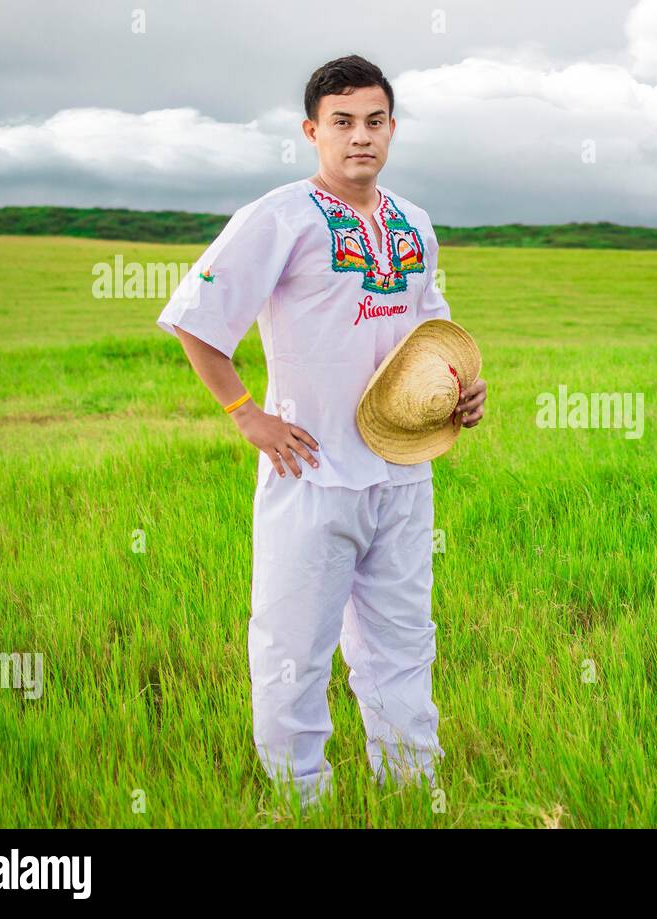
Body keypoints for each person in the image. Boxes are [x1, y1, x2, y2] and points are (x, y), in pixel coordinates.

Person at [155, 54, 486, 809]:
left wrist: (462, 393)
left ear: (392, 129)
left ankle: (410, 790)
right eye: (342, 122)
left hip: (403, 471)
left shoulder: (415, 224)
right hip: (309, 474)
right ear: (313, 131)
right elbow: (196, 323)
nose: (359, 137)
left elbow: (429, 331)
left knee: (404, 644)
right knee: (290, 653)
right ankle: (298, 800)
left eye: (374, 121)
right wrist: (249, 416)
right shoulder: (279, 218)